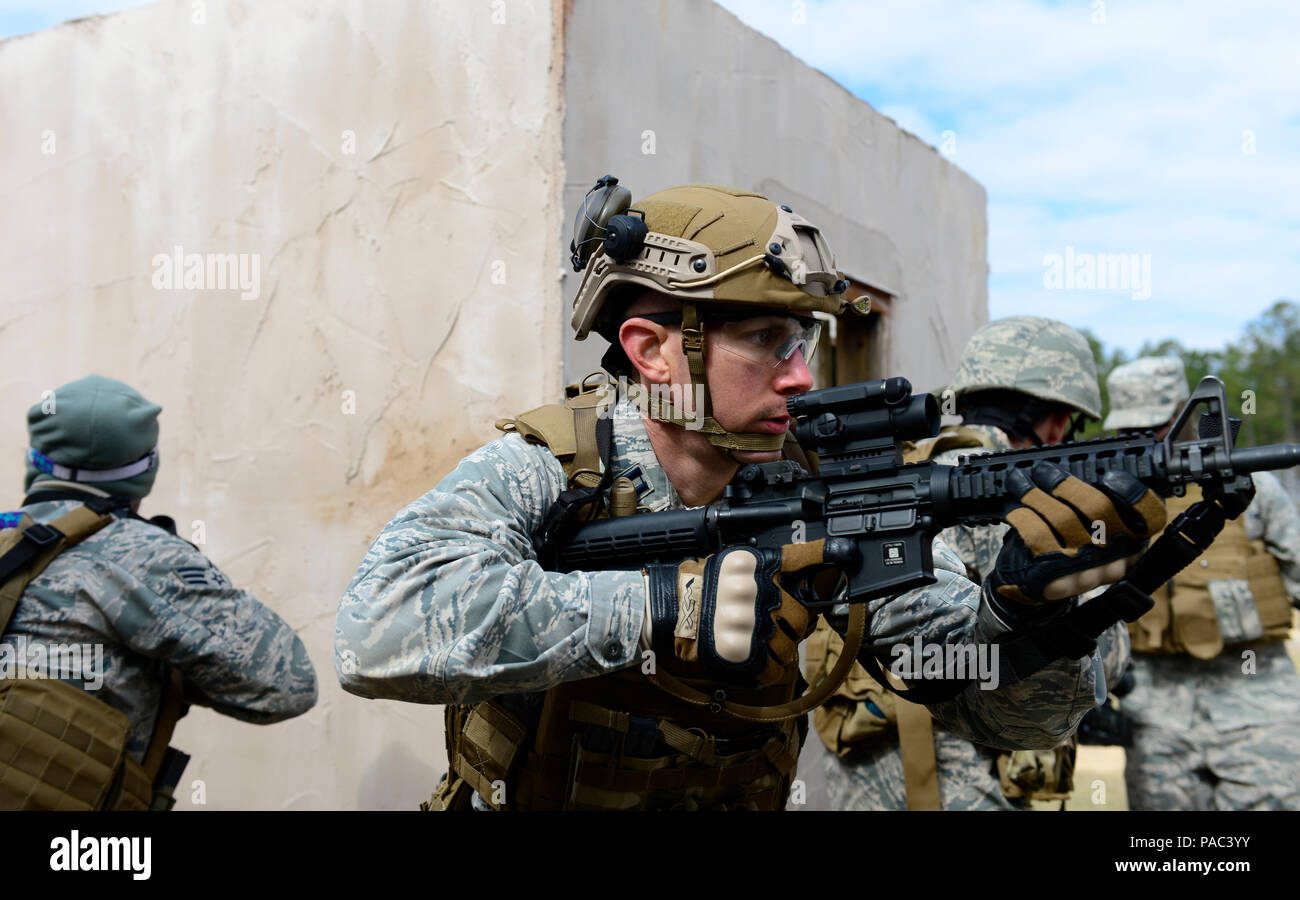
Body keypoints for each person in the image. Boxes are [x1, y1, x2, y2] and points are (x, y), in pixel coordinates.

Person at [336, 180, 1163, 811]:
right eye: (768, 340)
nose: (802, 375)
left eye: (803, 342)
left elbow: (999, 718)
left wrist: (1029, 620)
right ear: (654, 350)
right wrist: (663, 606)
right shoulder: (553, 470)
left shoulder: (813, 485)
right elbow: (374, 631)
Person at [810, 316, 1130, 809]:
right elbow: (1103, 660)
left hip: (866, 767)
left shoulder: (901, 468)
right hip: (968, 774)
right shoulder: (1019, 490)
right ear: (1058, 420)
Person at [0, 374, 318, 810]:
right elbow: (288, 684)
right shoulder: (141, 554)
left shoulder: (7, 540)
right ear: (145, 470)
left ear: (35, 458)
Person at [1105, 356, 1300, 809]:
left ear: (1182, 415)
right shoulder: (1109, 505)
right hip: (1155, 713)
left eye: (1155, 425)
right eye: (1130, 430)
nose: (1145, 440)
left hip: (1259, 705)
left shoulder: (1254, 490)